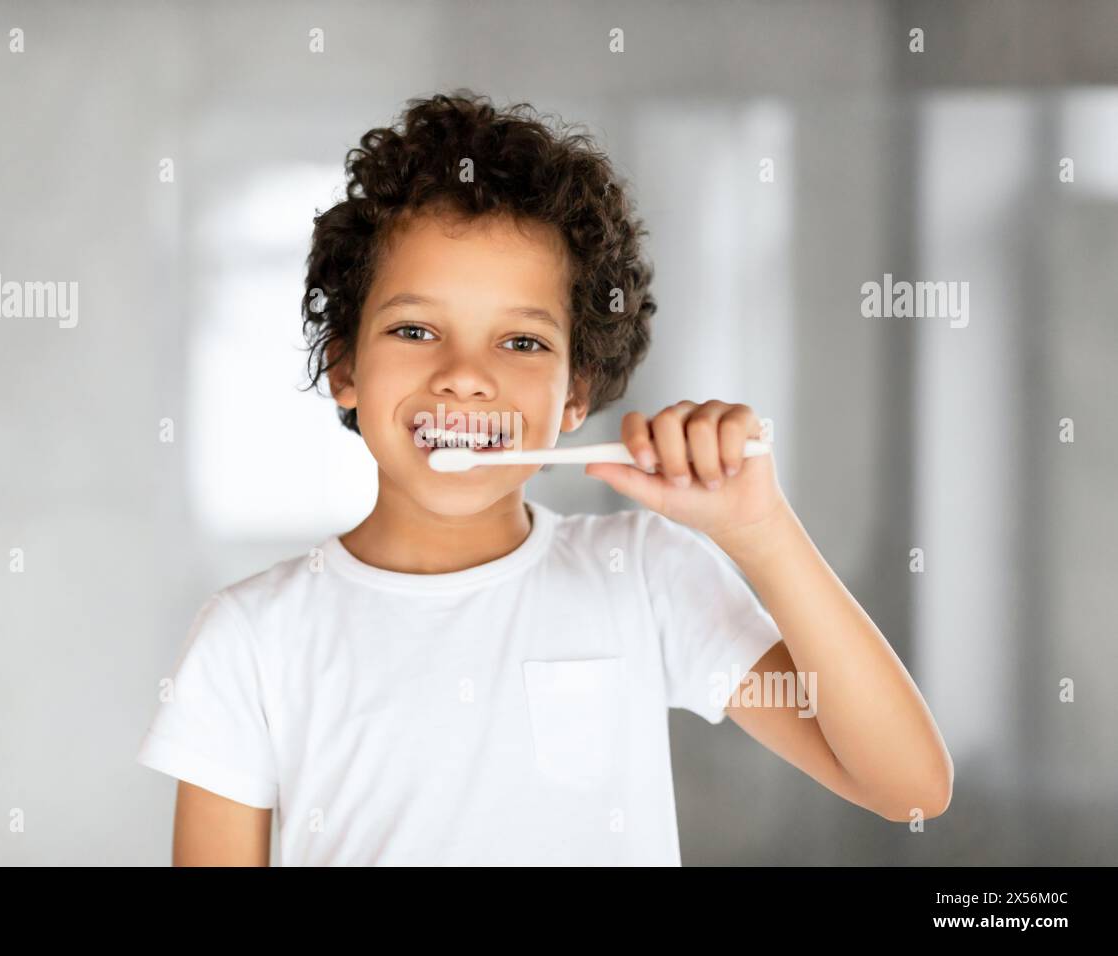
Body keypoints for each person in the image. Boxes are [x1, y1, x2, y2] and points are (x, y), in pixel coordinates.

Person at [135, 90, 953, 866]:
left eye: (521, 343)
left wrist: (762, 536)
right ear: (345, 368)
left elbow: (909, 787)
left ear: (577, 393)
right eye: (416, 329)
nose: (465, 375)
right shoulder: (252, 640)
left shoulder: (645, 575)